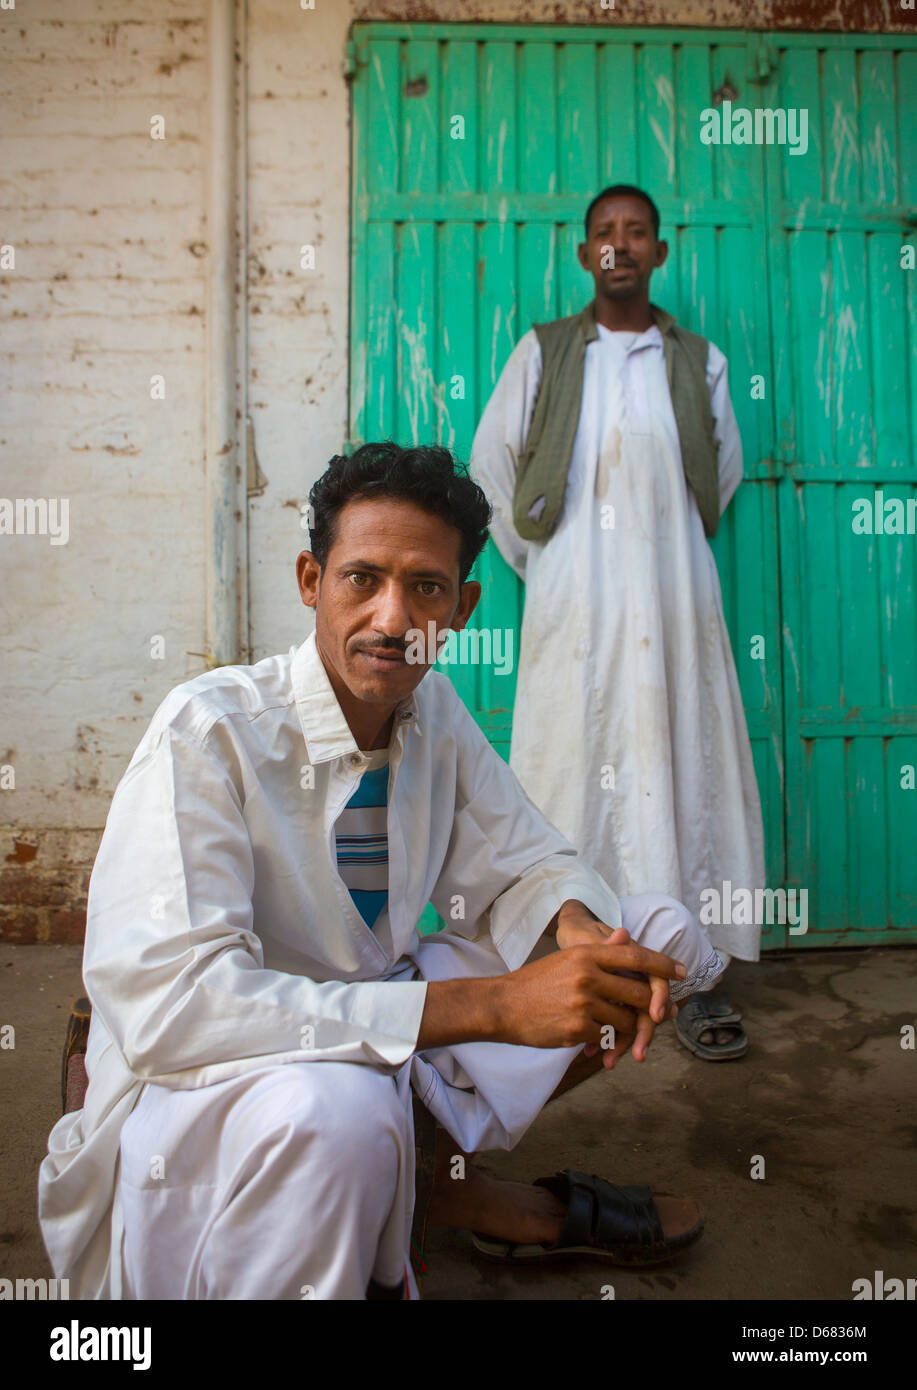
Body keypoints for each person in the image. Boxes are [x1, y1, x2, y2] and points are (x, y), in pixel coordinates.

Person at [39, 443, 727, 1300]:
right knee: (340, 1112)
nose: (393, 617)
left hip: (382, 1021)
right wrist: (493, 1008)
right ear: (310, 581)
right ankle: (377, 1192)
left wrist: (569, 926)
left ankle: (430, 1188)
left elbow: (523, 859)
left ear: (463, 606)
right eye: (362, 578)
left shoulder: (429, 708)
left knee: (651, 940)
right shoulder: (208, 731)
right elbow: (179, 1010)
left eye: (426, 588)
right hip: (223, 1085)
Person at [470, 185, 766, 1061]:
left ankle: (692, 975)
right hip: (574, 606)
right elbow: (492, 470)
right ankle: (574, 965)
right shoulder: (545, 352)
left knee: (683, 760)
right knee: (572, 759)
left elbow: (725, 472)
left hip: (675, 595)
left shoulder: (696, 361)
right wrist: (553, 572)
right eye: (603, 232)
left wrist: (657, 552)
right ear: (583, 253)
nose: (619, 245)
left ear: (658, 252)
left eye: (635, 232)